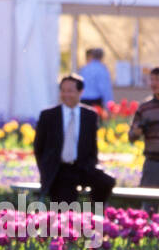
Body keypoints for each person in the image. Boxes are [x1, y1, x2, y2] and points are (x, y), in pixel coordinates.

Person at [32, 73, 116, 205]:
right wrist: (45, 170)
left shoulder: (89, 115)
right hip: (60, 169)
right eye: (63, 91)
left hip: (83, 167)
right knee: (65, 205)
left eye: (70, 91)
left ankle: (94, 213)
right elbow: (38, 147)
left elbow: (92, 147)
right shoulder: (48, 115)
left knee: (107, 181)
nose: (66, 95)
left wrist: (91, 164)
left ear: (80, 92)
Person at [79, 47, 113, 111]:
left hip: (83, 100)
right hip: (95, 101)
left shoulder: (84, 68)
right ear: (102, 57)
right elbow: (104, 88)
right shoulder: (102, 69)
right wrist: (109, 105)